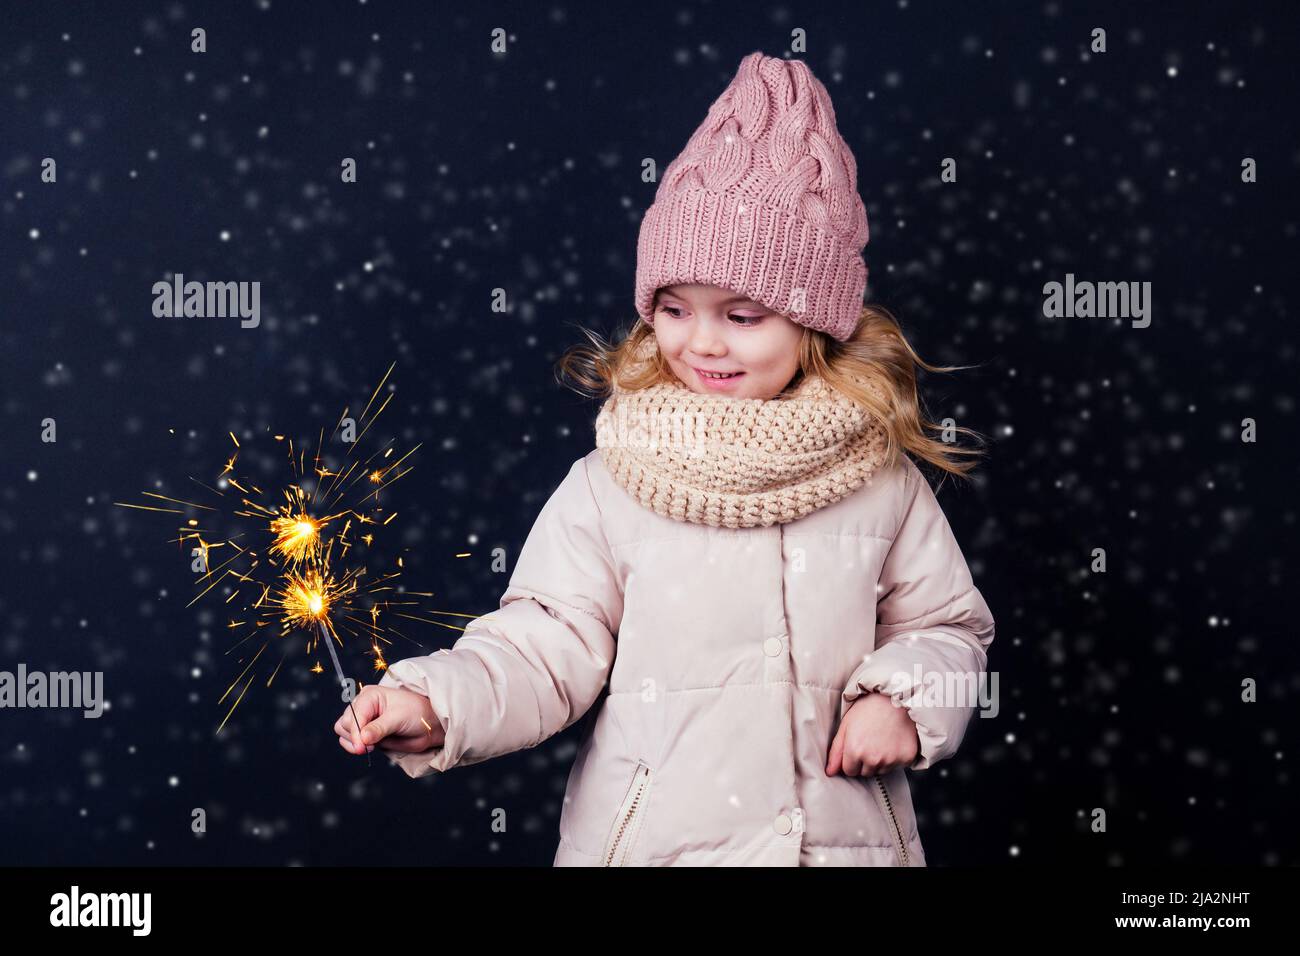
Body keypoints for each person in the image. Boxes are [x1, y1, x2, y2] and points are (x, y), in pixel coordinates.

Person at [334, 51, 995, 866]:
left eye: (744, 315)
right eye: (675, 308)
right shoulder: (611, 485)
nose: (702, 341)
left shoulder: (880, 484)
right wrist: (435, 703)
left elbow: (949, 629)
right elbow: (541, 646)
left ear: (815, 321)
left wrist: (906, 697)